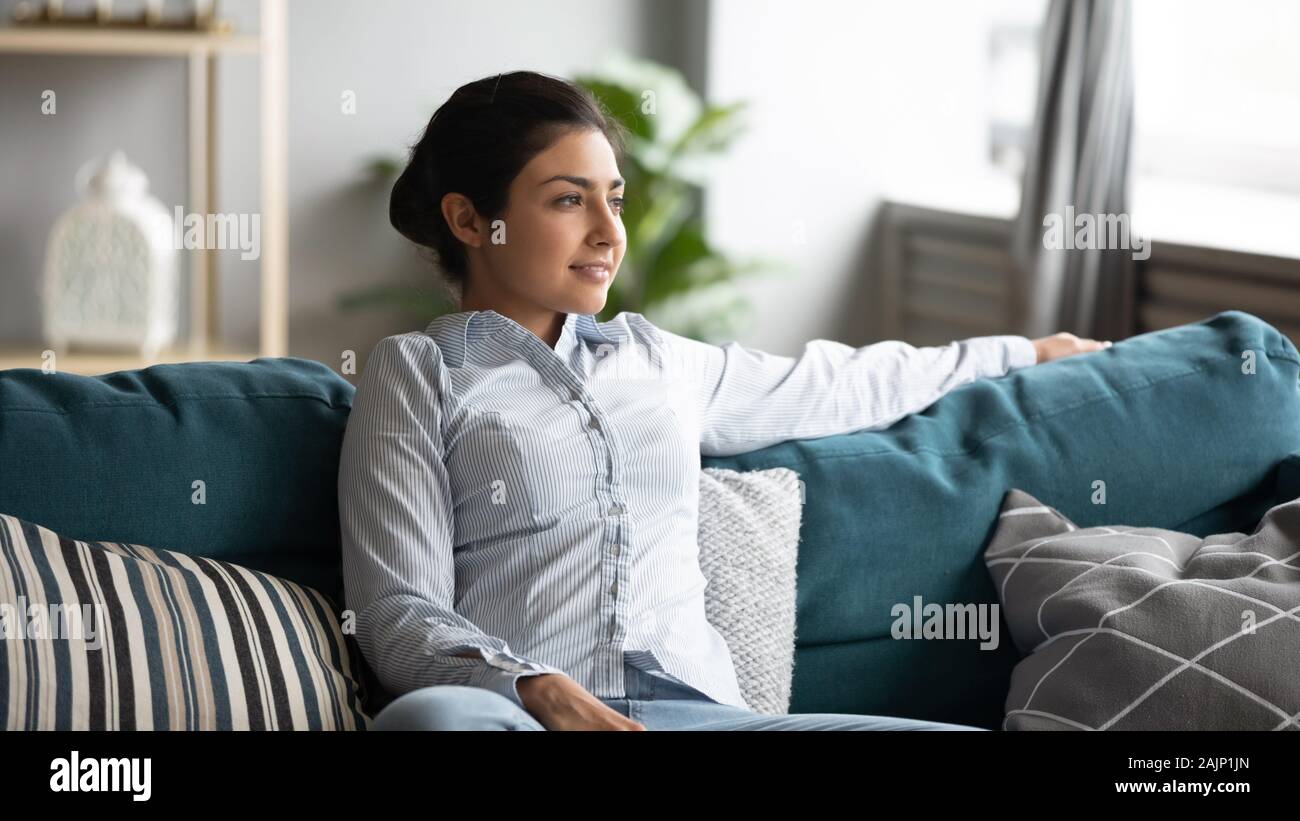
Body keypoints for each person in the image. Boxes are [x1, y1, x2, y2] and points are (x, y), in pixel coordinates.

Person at [339, 70, 1110, 732]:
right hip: (516, 715)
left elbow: (842, 381)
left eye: (614, 199)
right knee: (432, 720)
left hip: (701, 714)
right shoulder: (419, 371)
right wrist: (531, 687)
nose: (611, 232)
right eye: (569, 201)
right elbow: (397, 610)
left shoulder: (659, 361)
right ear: (471, 219)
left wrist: (1024, 352)